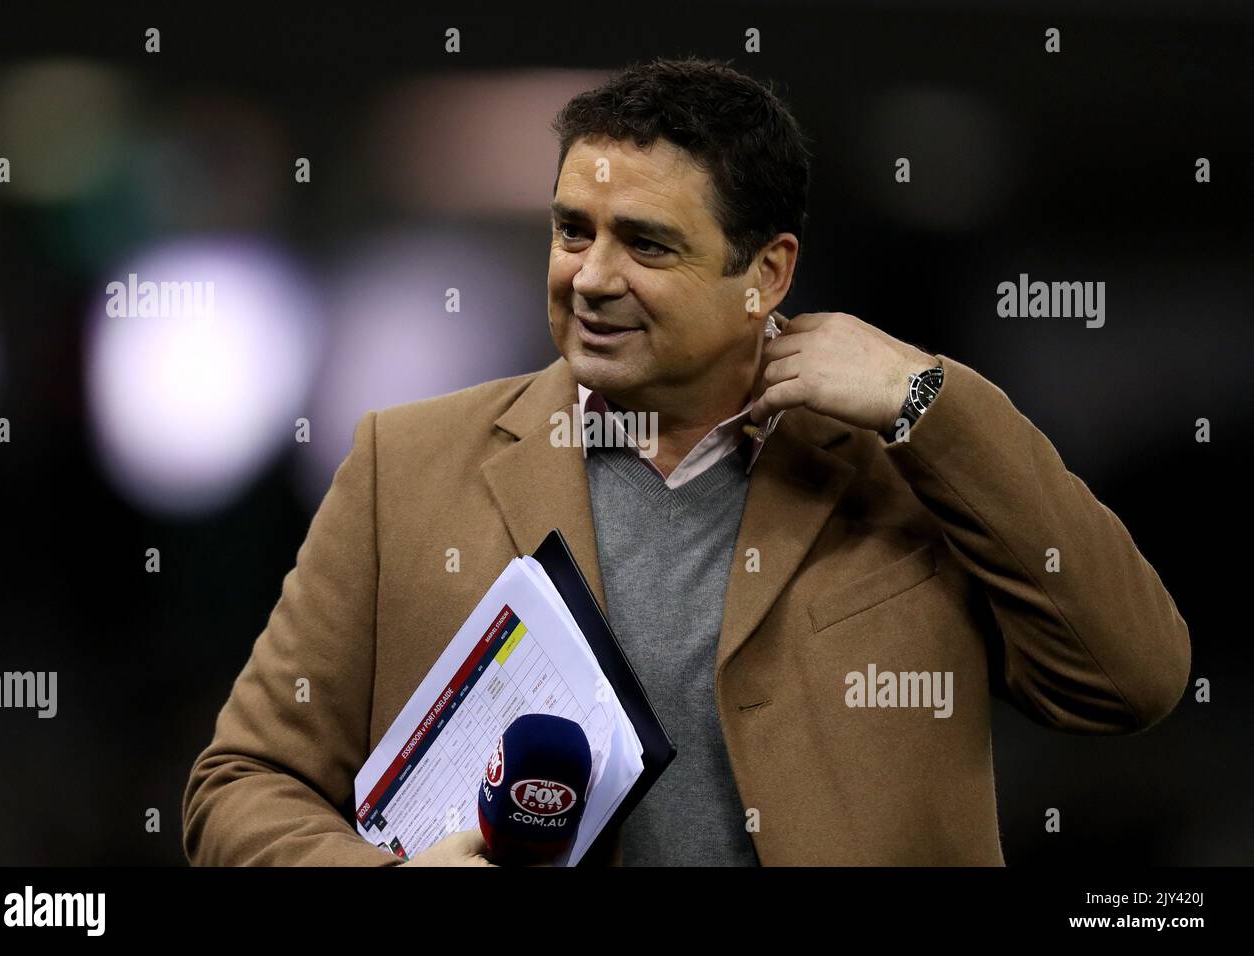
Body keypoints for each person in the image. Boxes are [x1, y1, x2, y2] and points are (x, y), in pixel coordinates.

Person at [182, 56, 1190, 866]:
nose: (591, 277)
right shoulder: (403, 465)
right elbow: (240, 785)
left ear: (767, 273)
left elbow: (1130, 678)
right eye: (572, 231)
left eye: (647, 245)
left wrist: (929, 403)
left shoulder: (905, 468)